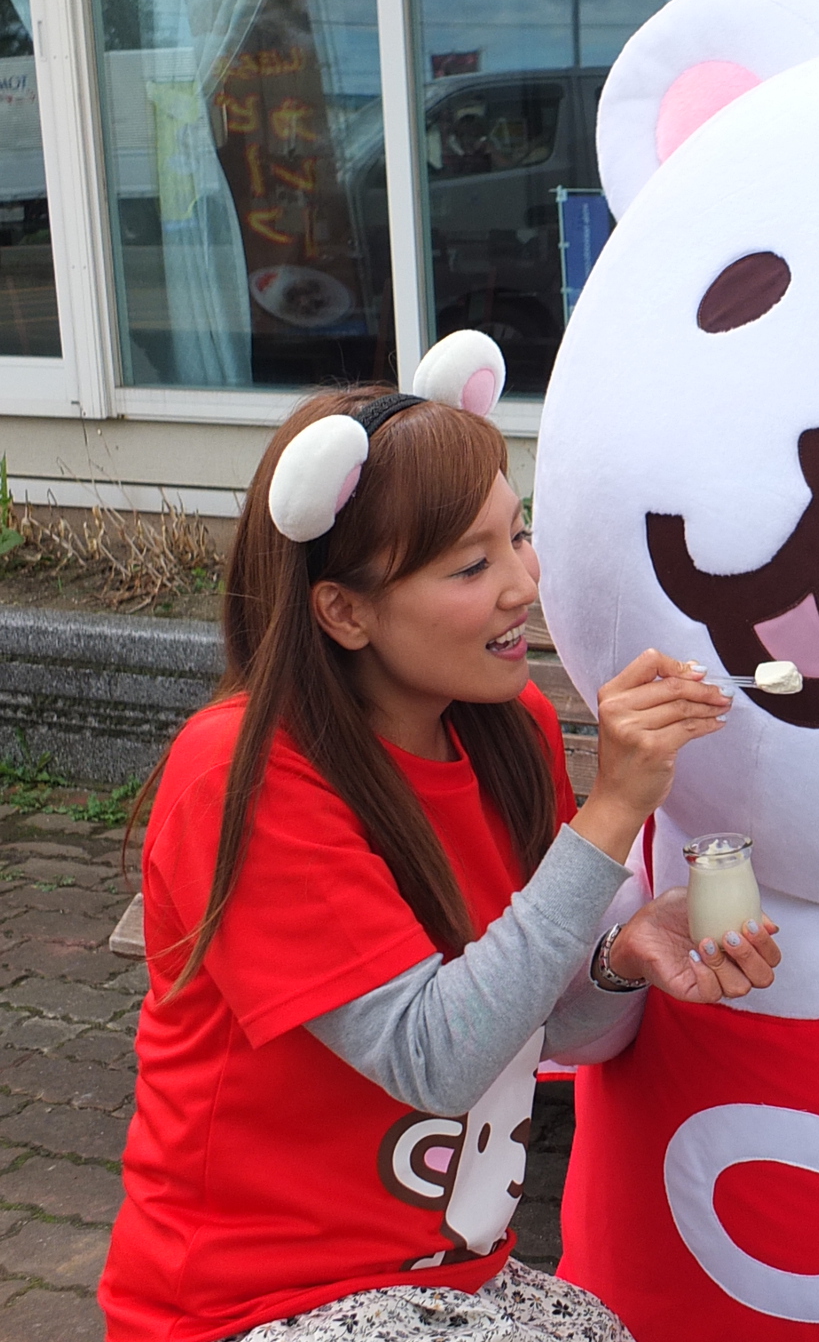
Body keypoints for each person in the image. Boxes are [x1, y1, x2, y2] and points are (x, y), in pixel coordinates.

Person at [105, 376, 783, 1342]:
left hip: (448, 1285)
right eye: (470, 565)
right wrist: (614, 810)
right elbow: (435, 1060)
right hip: (260, 1305)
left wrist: (620, 959)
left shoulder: (512, 731)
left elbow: (544, 1032)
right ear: (344, 612)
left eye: (519, 532)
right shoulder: (243, 775)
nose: (523, 581)